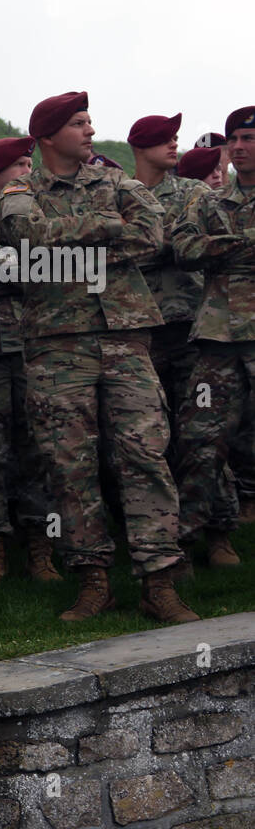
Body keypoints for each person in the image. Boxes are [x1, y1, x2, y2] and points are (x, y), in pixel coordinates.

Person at [0, 91, 194, 623]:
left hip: (125, 339)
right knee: (69, 463)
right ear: (47, 136)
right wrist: (106, 228)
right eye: (78, 123)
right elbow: (27, 240)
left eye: (90, 122)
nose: (89, 130)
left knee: (145, 453)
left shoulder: (117, 182)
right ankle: (93, 581)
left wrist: (68, 250)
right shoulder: (20, 190)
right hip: (57, 344)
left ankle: (159, 579)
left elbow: (152, 235)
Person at [128, 114, 239, 570]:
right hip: (142, 333)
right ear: (141, 147)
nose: (175, 145)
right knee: (152, 438)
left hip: (193, 330)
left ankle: (219, 530)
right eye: (164, 139)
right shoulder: (121, 194)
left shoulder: (194, 192)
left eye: (176, 137)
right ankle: (168, 540)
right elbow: (120, 250)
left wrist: (140, 246)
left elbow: (191, 247)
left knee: (204, 435)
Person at [0, 137, 60, 586]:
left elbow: (52, 271)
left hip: (34, 348)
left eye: (30, 163)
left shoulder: (35, 219)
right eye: (19, 164)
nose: (27, 172)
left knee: (39, 448)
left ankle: (41, 548)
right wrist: (16, 268)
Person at [172, 106, 255, 582]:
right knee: (200, 442)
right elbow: (183, 248)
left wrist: (221, 245)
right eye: (233, 140)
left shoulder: (211, 211)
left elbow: (202, 248)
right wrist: (242, 243)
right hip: (218, 339)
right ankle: (181, 549)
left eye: (248, 139)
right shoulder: (209, 200)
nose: (238, 148)